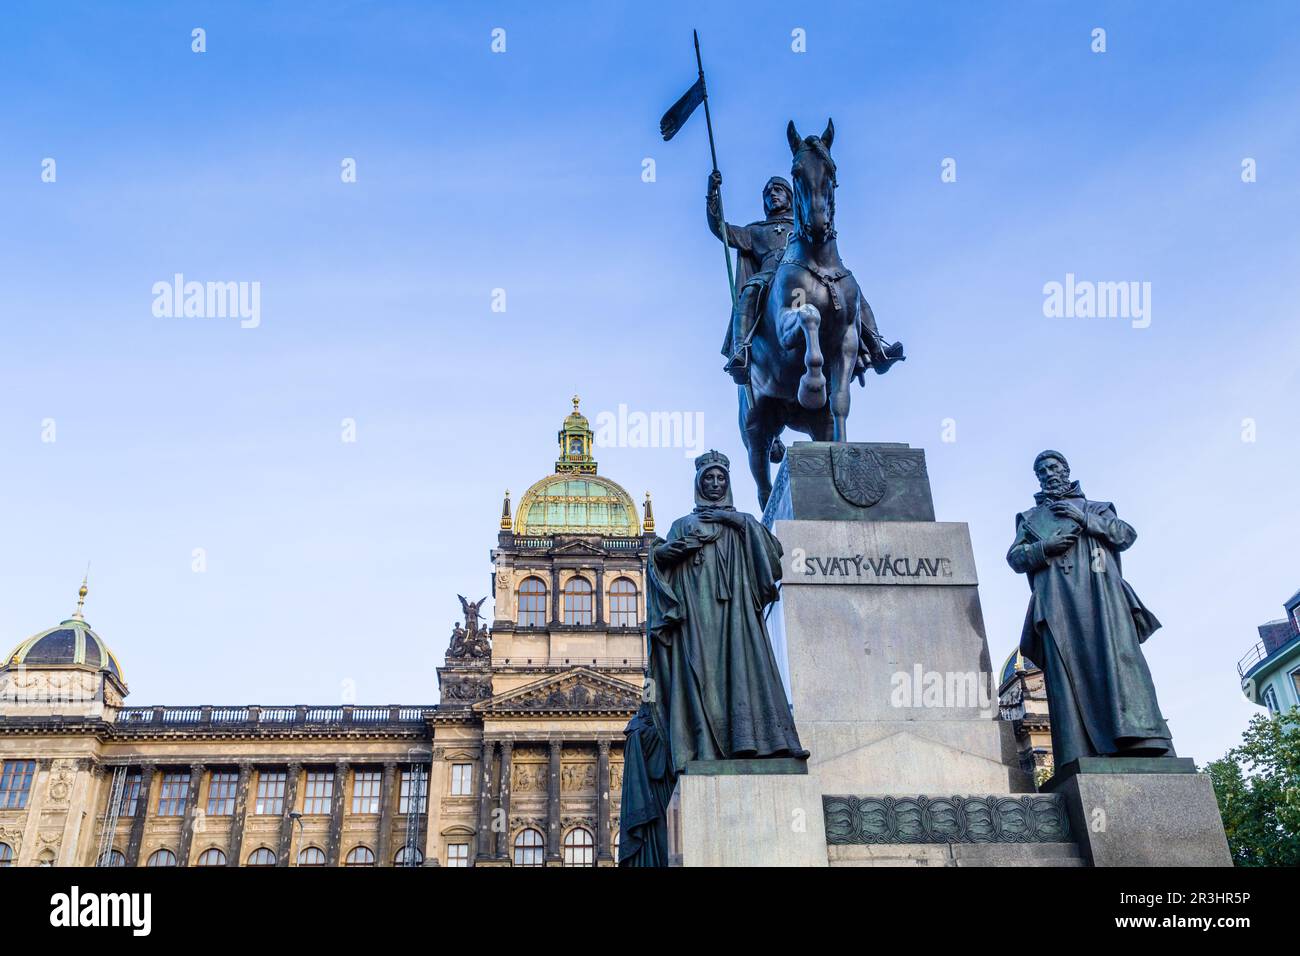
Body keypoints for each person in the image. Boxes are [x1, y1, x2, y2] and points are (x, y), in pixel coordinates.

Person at [1006, 450, 1175, 770]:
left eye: (1053, 467)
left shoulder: (1096, 508)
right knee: (1067, 679)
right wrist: (1045, 548)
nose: (1048, 473)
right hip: (1058, 605)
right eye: (1041, 470)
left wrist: (1084, 519)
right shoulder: (1030, 518)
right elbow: (1015, 558)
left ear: (1066, 470)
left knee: (1118, 668)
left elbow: (1124, 534)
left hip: (1102, 602)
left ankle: (1135, 739)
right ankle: (1080, 751)